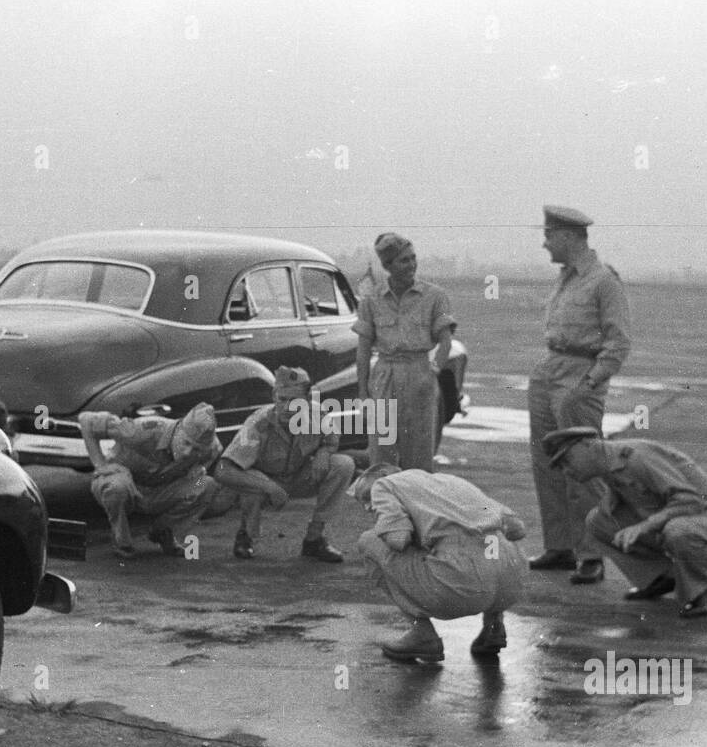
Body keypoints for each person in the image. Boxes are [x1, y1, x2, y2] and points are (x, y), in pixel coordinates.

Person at [527, 206, 632, 585]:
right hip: (549, 369)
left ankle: (591, 554)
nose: (545, 242)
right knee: (546, 462)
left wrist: (590, 383)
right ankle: (559, 547)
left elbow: (618, 342)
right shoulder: (565, 279)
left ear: (569, 237)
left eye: (550, 235)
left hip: (579, 375)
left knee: (583, 467)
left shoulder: (603, 281)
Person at [544, 426, 707, 619]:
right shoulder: (608, 462)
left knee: (678, 531)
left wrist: (644, 526)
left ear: (588, 444)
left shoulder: (637, 457)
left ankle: (703, 591)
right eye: (560, 467)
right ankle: (663, 577)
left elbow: (690, 501)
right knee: (598, 521)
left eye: (567, 460)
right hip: (683, 516)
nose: (567, 470)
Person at [353, 464, 528, 663]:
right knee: (485, 548)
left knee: (369, 541)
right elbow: (517, 528)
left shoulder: (384, 485)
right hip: (512, 577)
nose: (368, 507)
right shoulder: (450, 481)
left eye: (367, 499)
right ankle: (494, 626)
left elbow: (398, 539)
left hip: (463, 583)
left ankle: (423, 635)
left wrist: (391, 526)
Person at [214, 366, 355, 562]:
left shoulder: (318, 415)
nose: (288, 407)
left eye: (295, 401)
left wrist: (324, 452)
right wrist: (268, 486)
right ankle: (245, 536)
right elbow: (223, 470)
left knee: (343, 464)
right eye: (282, 399)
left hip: (298, 477)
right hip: (266, 483)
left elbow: (331, 440)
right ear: (274, 396)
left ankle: (314, 540)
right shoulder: (258, 424)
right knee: (249, 477)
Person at [353, 233, 455, 473]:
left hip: (419, 375)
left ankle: (417, 508)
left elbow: (446, 342)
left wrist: (432, 371)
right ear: (387, 266)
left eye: (413, 258)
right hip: (384, 377)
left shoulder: (434, 296)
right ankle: (383, 507)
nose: (412, 265)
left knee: (419, 454)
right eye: (404, 261)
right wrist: (363, 393)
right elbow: (363, 350)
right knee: (381, 453)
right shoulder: (371, 300)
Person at [78, 403, 221, 558]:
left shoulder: (211, 448)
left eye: (196, 449)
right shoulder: (142, 430)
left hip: (159, 489)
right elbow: (85, 419)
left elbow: (208, 461)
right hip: (125, 483)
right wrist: (100, 465)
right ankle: (121, 540)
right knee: (117, 487)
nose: (188, 453)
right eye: (186, 443)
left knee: (207, 485)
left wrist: (199, 473)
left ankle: (164, 531)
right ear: (178, 429)